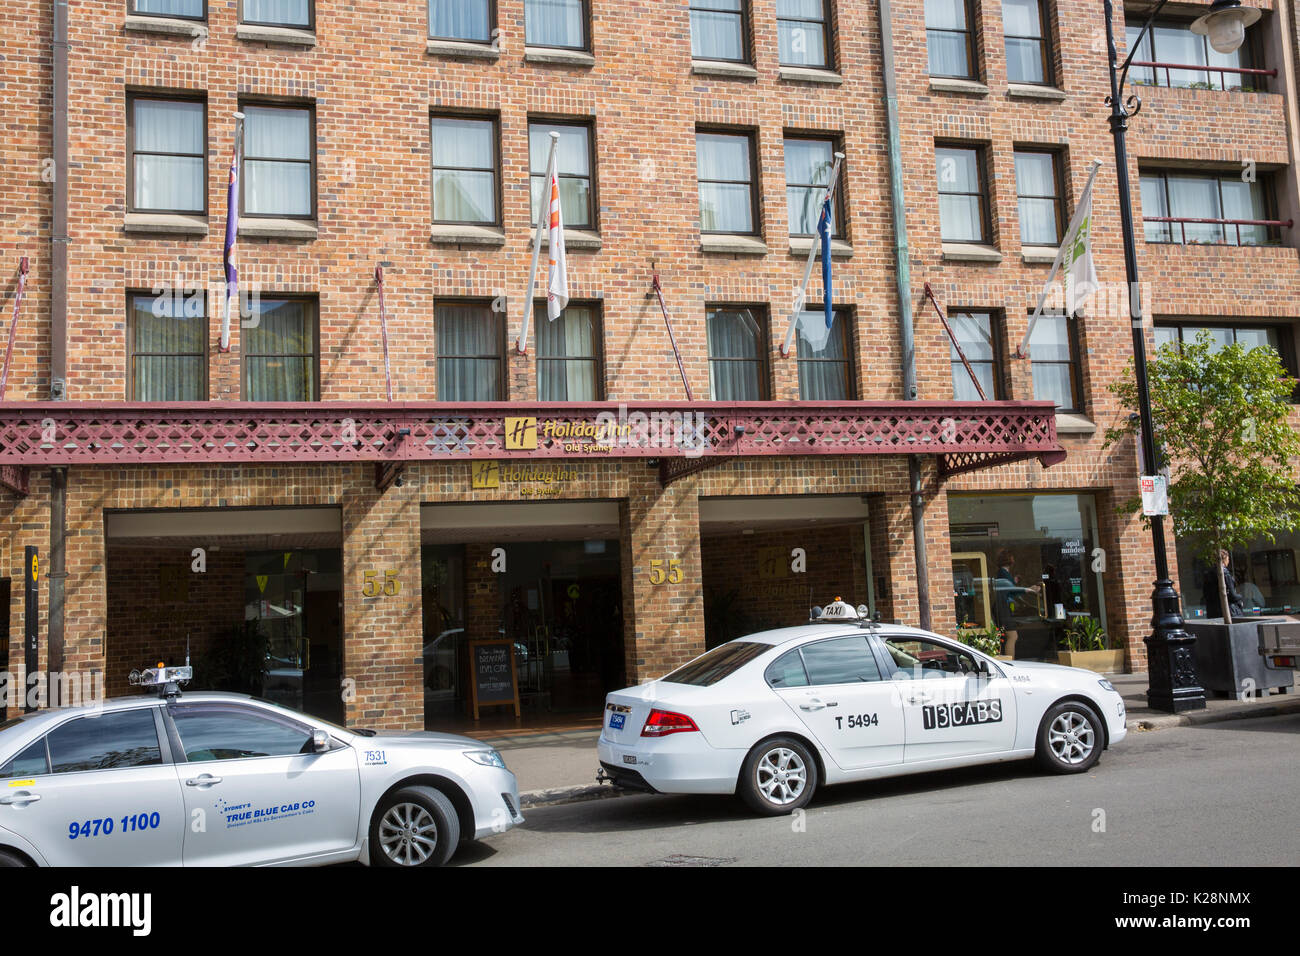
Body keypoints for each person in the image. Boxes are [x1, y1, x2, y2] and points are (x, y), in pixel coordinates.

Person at [1201, 549, 1245, 619]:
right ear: (1225, 559)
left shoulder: (1208, 574)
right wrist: (1241, 596)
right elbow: (1232, 595)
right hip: (1228, 611)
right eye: (1228, 559)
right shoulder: (1225, 574)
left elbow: (1206, 595)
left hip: (1213, 612)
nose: (1229, 561)